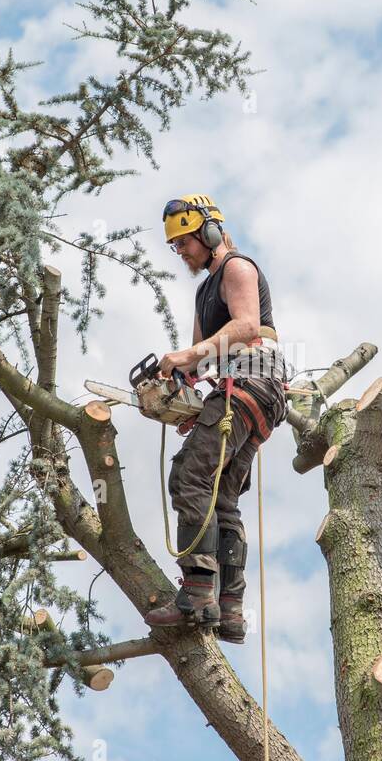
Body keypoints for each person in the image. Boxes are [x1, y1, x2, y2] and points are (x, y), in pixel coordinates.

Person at [144, 194, 290, 643]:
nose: (181, 252)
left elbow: (245, 326)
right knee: (221, 497)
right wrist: (181, 387)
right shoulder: (203, 292)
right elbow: (199, 361)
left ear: (208, 233)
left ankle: (197, 594)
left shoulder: (237, 268)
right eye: (175, 246)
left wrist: (187, 355)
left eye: (185, 241)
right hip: (245, 393)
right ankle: (229, 611)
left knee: (189, 476)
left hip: (250, 384)